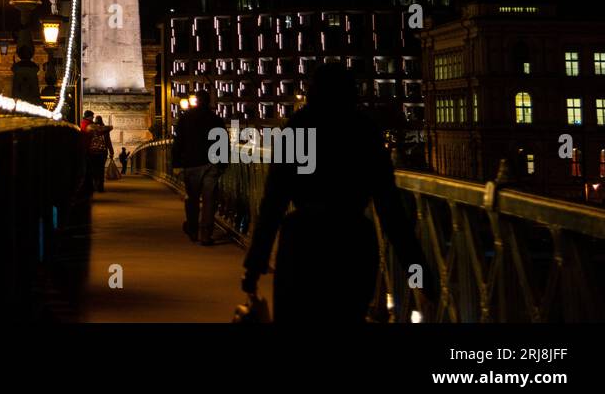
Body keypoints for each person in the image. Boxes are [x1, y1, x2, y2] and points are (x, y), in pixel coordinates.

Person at [240, 63, 433, 322]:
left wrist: (255, 264)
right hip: (351, 243)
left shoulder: (298, 127)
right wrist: (417, 270)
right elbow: (391, 210)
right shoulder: (364, 130)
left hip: (303, 243)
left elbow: (274, 202)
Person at [171, 89, 222, 244]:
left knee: (192, 198)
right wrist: (223, 164)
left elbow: (178, 141)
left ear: (196, 101)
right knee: (209, 200)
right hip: (212, 164)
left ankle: (193, 230)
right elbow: (222, 142)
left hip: (192, 164)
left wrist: (176, 163)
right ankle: (206, 234)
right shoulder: (215, 119)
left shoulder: (186, 118)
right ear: (209, 102)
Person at [87, 117, 111, 192]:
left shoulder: (91, 129)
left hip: (92, 152)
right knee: (101, 170)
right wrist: (111, 151)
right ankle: (100, 187)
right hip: (102, 152)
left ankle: (94, 186)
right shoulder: (105, 130)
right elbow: (108, 141)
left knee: (93, 170)